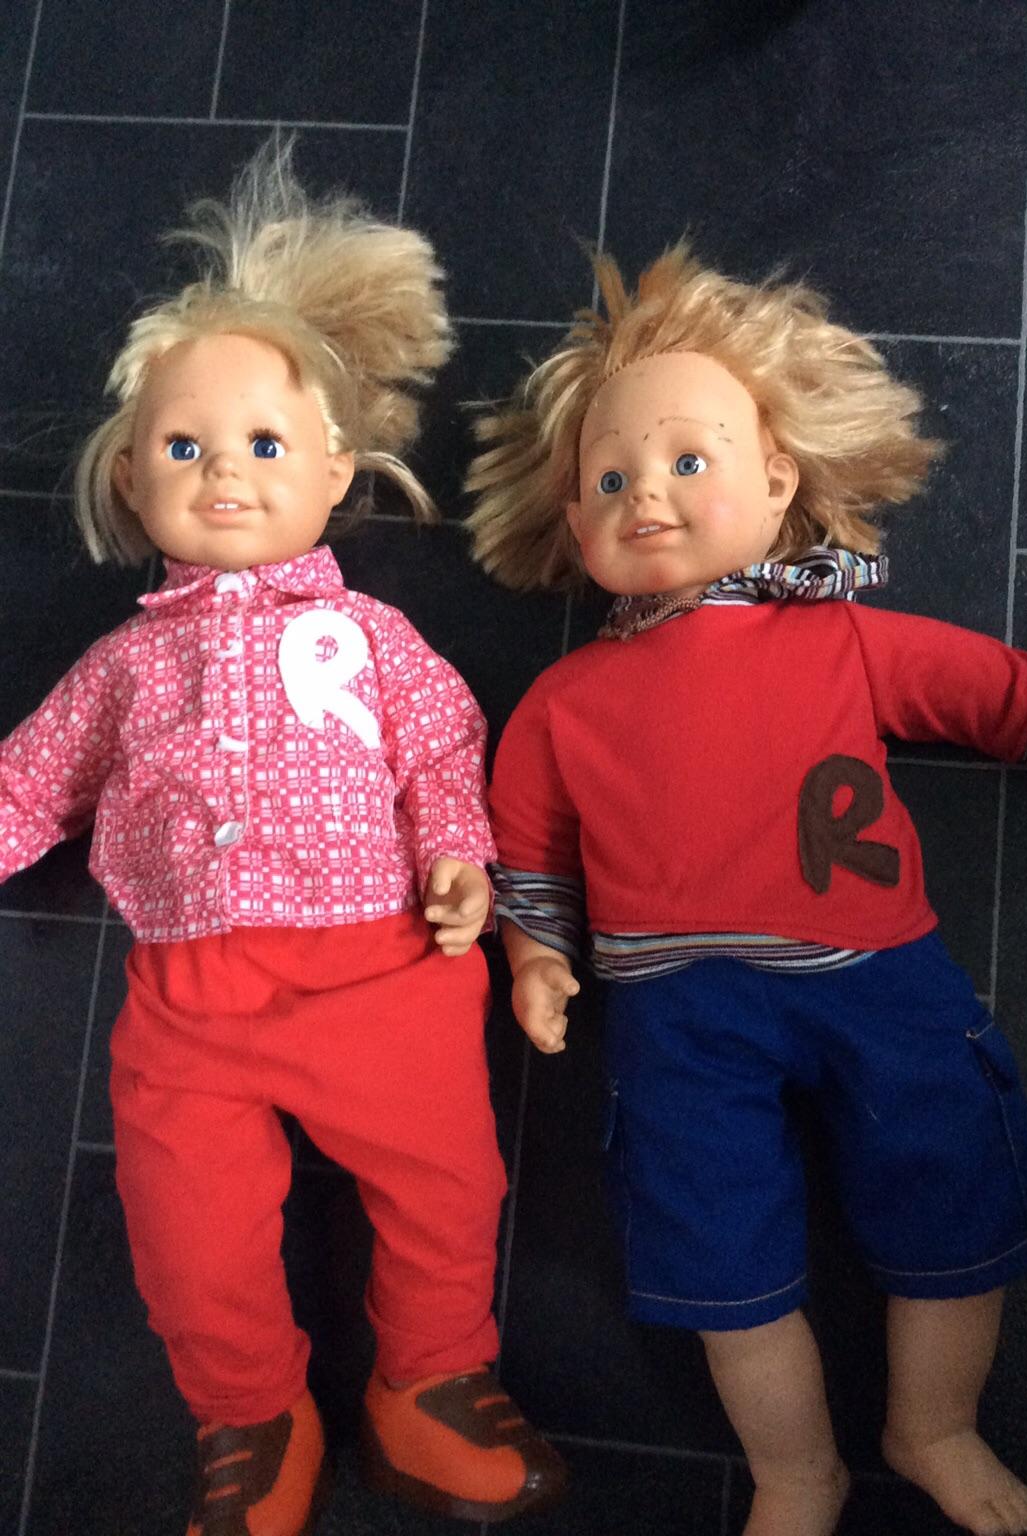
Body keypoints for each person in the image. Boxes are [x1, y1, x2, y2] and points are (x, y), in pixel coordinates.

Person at [465, 244, 1027, 1536]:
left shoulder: (841, 637)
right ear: (572, 520)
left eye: (688, 460)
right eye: (608, 479)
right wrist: (533, 953)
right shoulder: (562, 702)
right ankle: (793, 1469)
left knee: (953, 1188)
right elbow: (530, 853)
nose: (644, 492)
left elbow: (1000, 697)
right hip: (674, 1011)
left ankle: (932, 1424)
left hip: (875, 972)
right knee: (719, 1260)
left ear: (778, 477)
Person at [0, 142, 566, 1535]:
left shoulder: (374, 635)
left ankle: (430, 1382)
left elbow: (443, 747)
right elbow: (28, 782)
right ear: (131, 479)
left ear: (333, 475)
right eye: (183, 448)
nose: (224, 473)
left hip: (382, 968)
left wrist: (457, 859)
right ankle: (248, 1410)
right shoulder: (122, 670)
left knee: (447, 1184)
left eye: (263, 446)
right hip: (187, 1001)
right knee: (184, 1229)